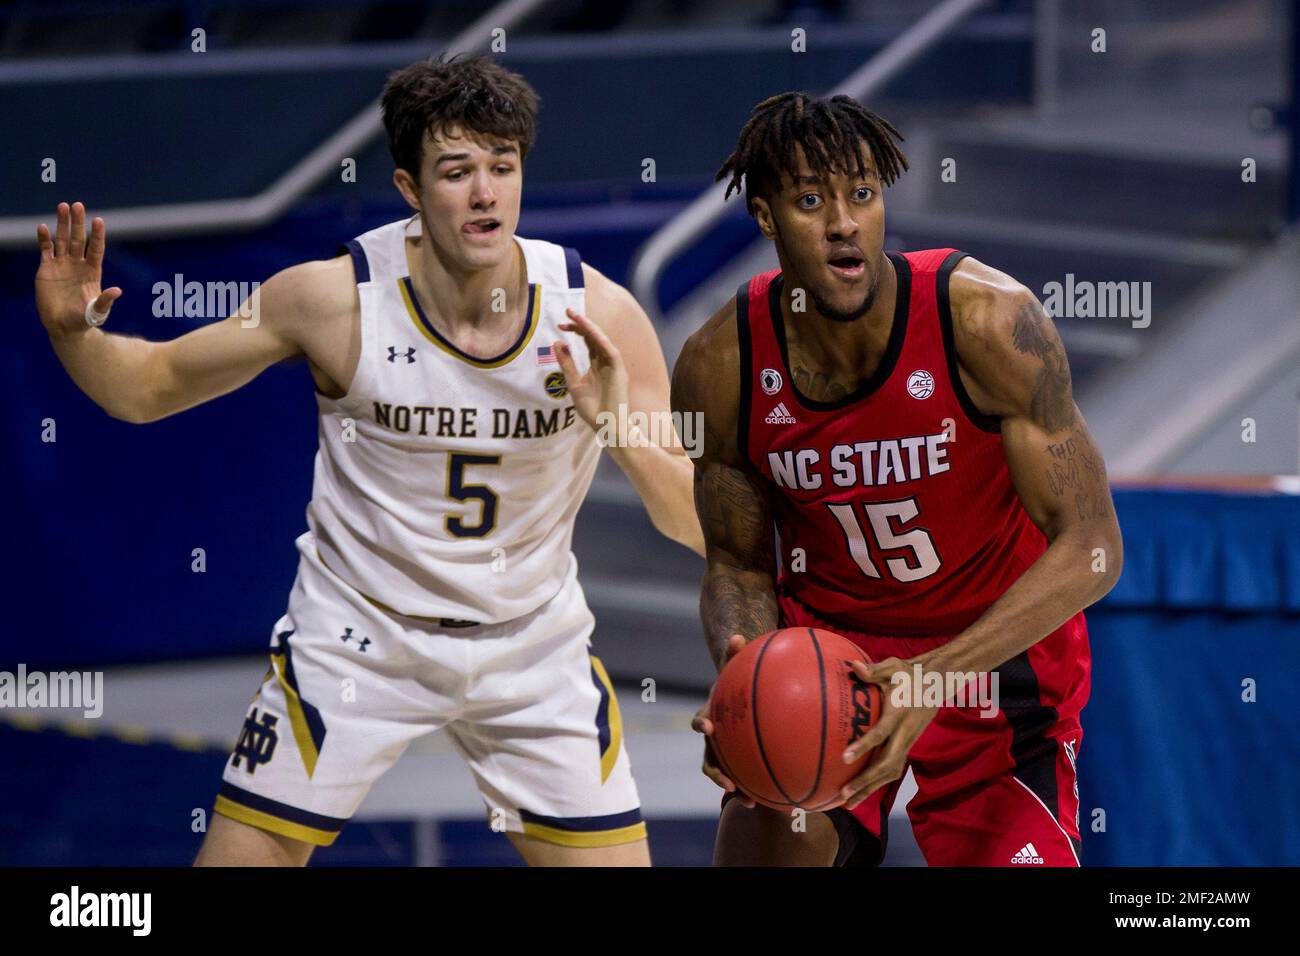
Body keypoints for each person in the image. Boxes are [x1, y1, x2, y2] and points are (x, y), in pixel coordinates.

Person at [34, 54, 702, 867]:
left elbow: (694, 525)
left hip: (531, 644)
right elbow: (149, 388)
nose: (486, 192)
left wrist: (620, 426)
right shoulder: (330, 299)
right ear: (411, 190)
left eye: (504, 166)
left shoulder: (599, 313)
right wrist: (76, 334)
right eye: (457, 172)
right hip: (359, 635)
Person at [671, 91, 1123, 866]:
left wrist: (933, 677)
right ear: (766, 217)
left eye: (862, 194)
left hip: (992, 658)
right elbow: (737, 565)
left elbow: (1092, 548)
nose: (844, 222)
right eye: (811, 200)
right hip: (832, 662)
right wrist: (744, 684)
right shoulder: (721, 366)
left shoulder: (987, 322)